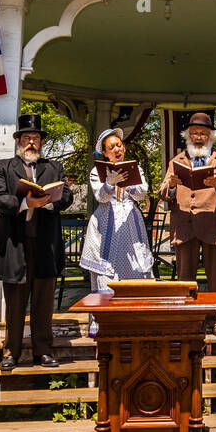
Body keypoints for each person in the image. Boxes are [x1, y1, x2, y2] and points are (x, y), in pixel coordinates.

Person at [0, 113, 74, 371]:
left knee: (44, 301)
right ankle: (11, 353)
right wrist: (26, 202)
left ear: (42, 142)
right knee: (15, 302)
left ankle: (43, 351)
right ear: (18, 141)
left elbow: (66, 197)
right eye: (27, 138)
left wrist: (48, 202)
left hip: (46, 244)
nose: (32, 142)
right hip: (15, 243)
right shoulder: (2, 167)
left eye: (36, 138)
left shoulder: (54, 168)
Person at [157, 112, 216, 337]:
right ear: (187, 136)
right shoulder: (176, 161)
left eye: (203, 133)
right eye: (194, 133)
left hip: (214, 227)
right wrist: (171, 185)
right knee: (185, 279)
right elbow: (162, 191)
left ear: (211, 136)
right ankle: (188, 320)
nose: (199, 137)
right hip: (184, 226)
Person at [80, 127, 152, 321]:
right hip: (105, 223)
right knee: (106, 271)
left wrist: (129, 181)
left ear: (124, 147)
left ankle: (134, 322)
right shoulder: (97, 172)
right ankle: (105, 323)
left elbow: (142, 193)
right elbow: (101, 197)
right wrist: (110, 182)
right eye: (111, 148)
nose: (116, 149)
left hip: (130, 222)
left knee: (135, 267)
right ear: (104, 153)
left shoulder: (135, 168)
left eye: (119, 145)